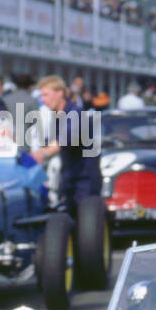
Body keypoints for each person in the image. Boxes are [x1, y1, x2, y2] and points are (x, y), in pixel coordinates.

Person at [31, 75, 98, 214]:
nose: (42, 100)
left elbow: (60, 142)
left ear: (60, 92)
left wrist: (36, 157)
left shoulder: (76, 114)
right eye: (41, 96)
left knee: (85, 230)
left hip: (84, 182)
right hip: (68, 180)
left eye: (46, 95)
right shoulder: (57, 116)